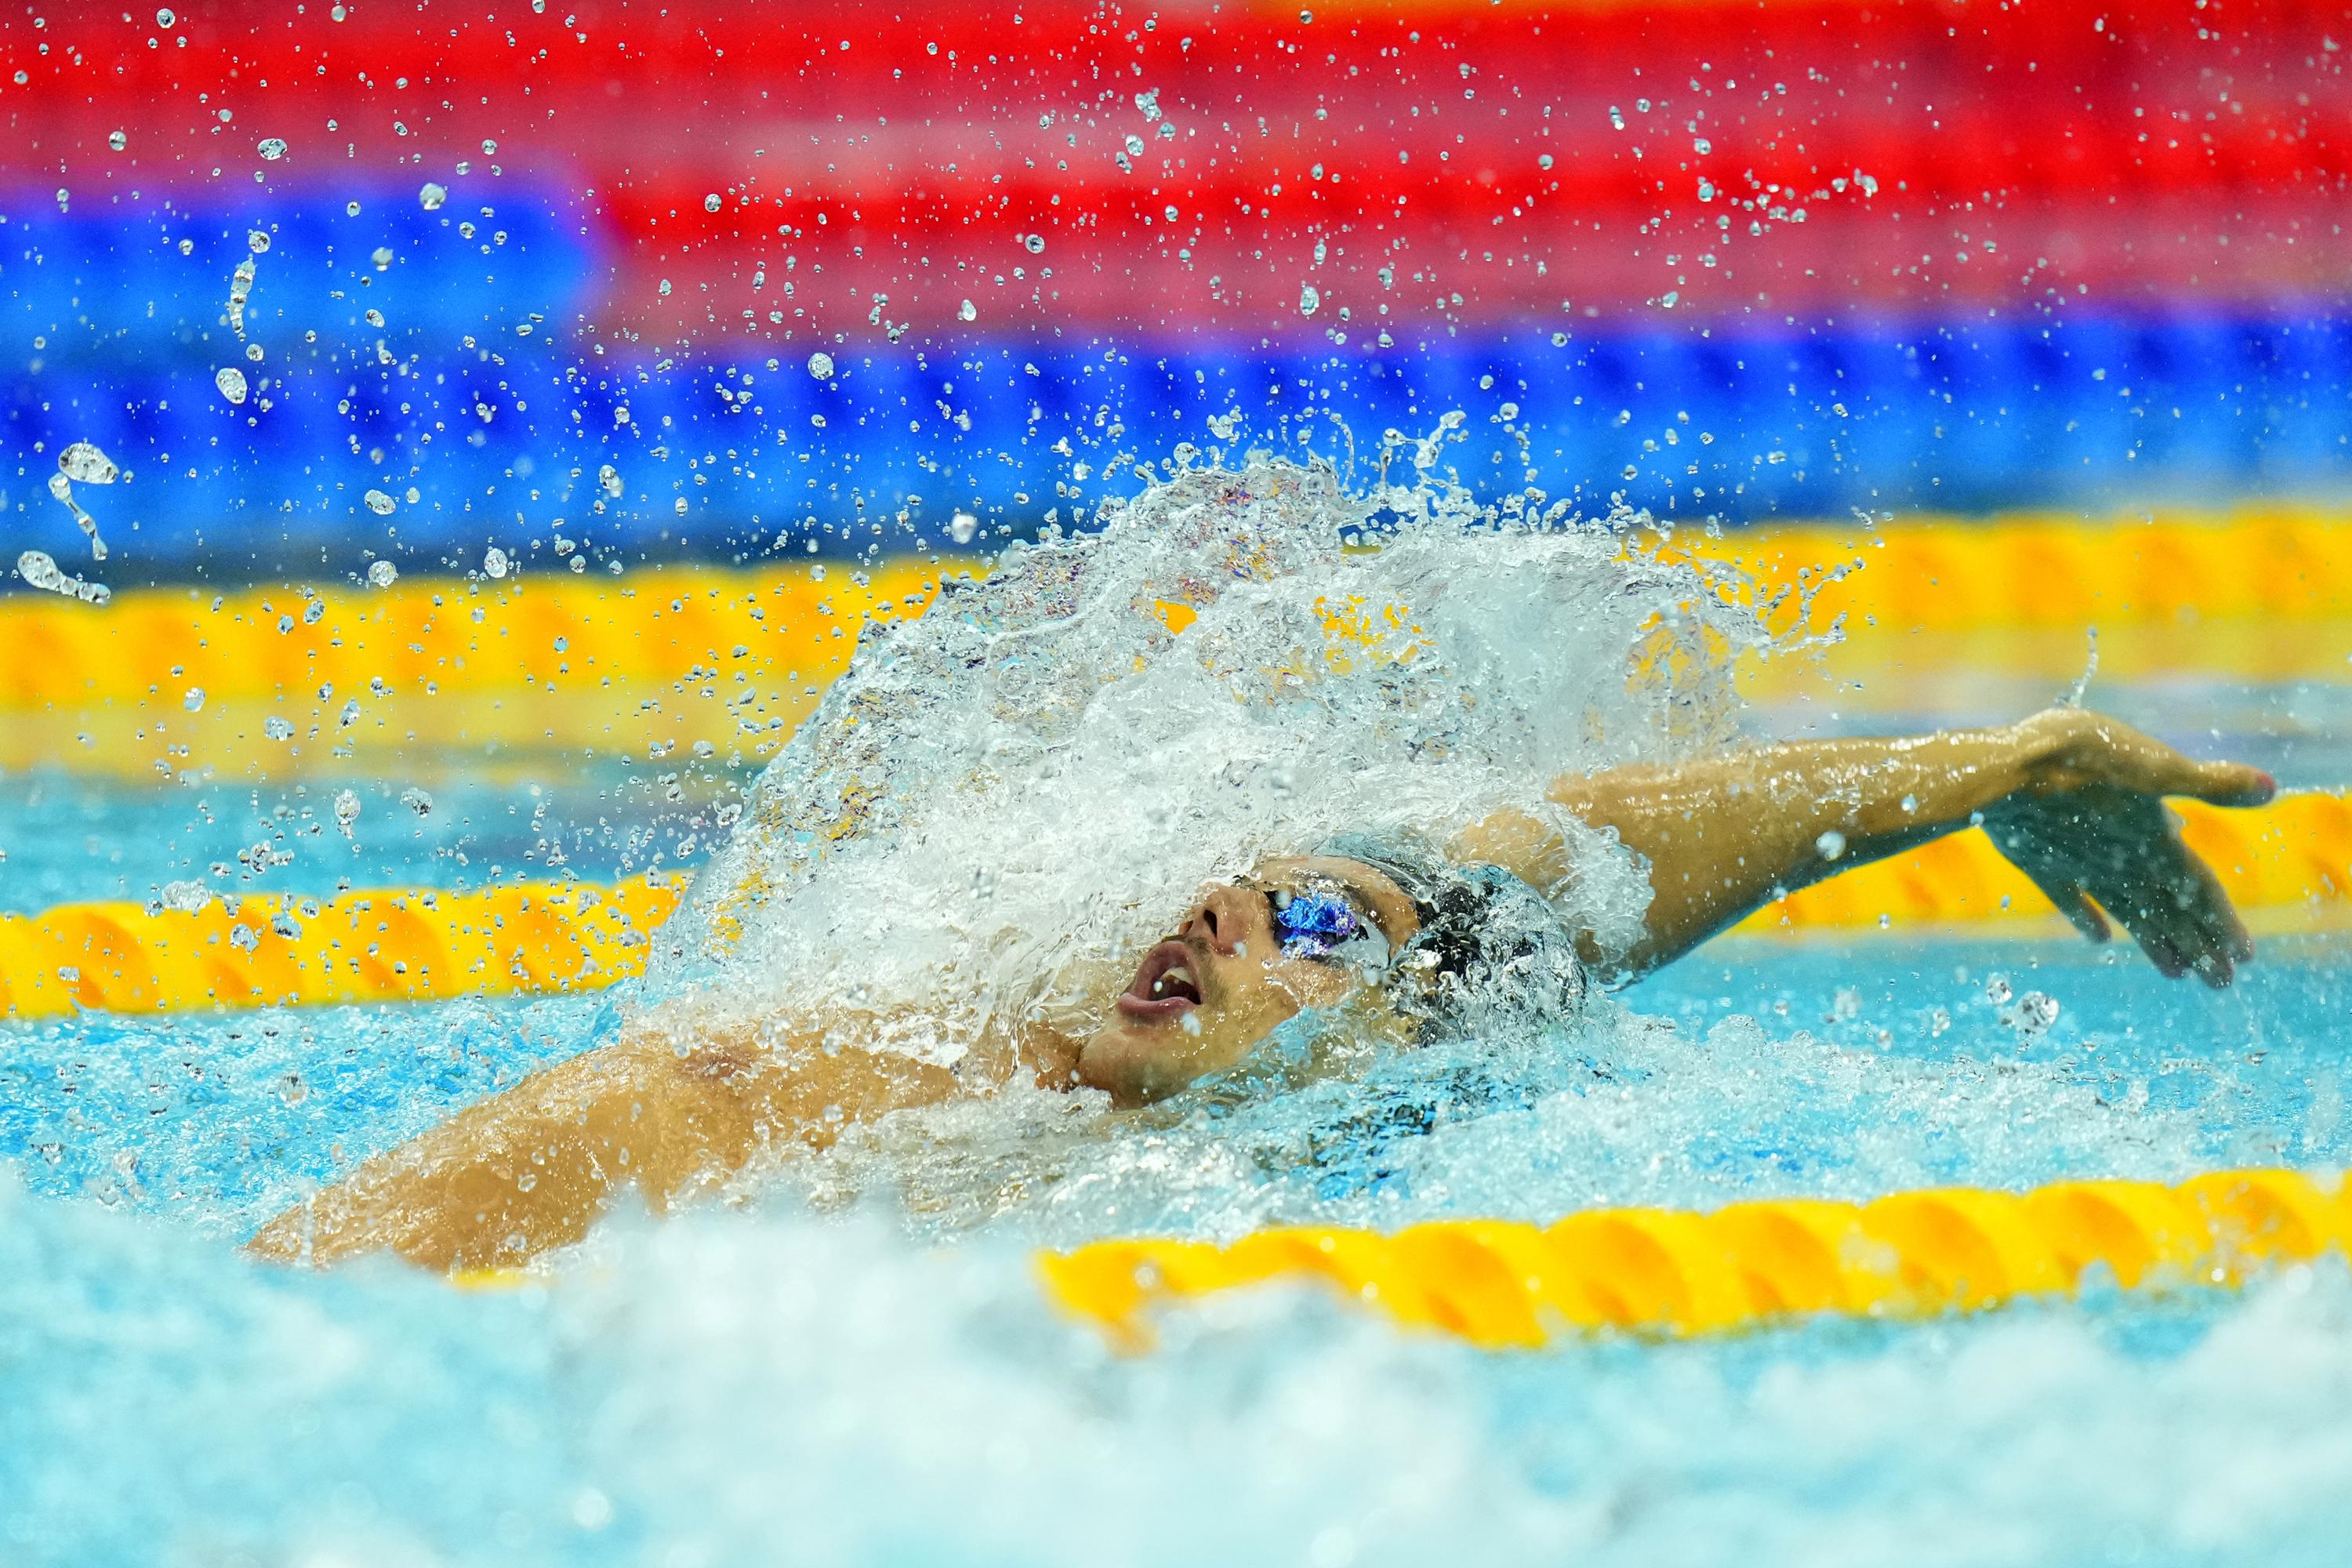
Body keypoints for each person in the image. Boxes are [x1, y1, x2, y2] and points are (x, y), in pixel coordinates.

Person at [245, 706, 2275, 1272]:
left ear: (1390, 1044)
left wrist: (2003, 769)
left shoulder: (1153, 1175)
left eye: (1322, 938)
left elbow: (1567, 914)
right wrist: (1992, 759)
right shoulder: (934, 1025)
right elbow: (1573, 855)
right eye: (1251, 890)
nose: (1238, 919)